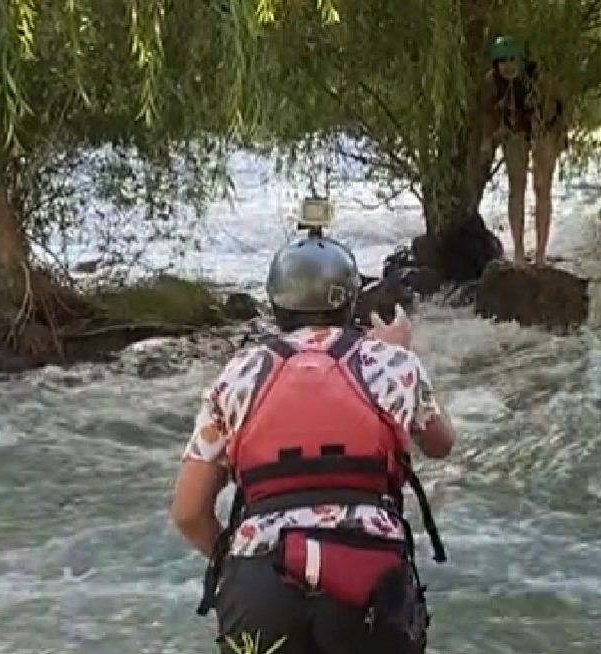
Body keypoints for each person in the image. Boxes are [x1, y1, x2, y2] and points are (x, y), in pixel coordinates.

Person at [170, 232, 458, 654]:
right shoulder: (391, 362)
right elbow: (440, 443)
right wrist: (402, 356)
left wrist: (236, 564)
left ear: (275, 304)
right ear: (350, 301)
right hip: (369, 585)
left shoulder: (237, 375)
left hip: (261, 590)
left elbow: (188, 512)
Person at [474, 35, 569, 268]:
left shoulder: (541, 79)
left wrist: (559, 137)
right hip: (514, 130)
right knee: (516, 187)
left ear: (521, 59)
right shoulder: (492, 82)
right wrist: (489, 139)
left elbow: (562, 106)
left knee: (542, 187)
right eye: (502, 61)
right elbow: (488, 113)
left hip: (544, 128)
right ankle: (518, 252)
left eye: (512, 59)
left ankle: (541, 255)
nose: (508, 66)